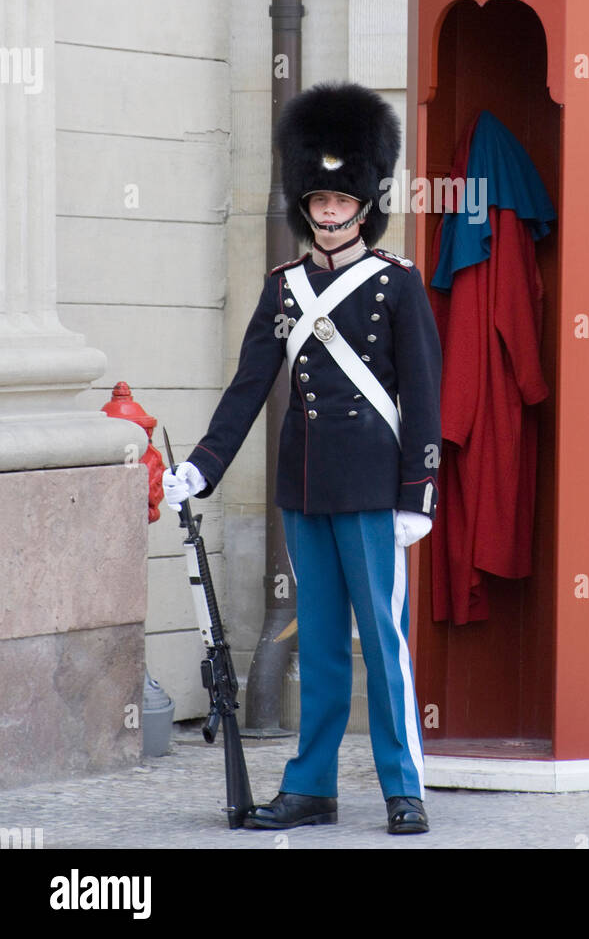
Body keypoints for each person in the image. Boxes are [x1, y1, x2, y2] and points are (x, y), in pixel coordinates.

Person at [163, 81, 441, 835]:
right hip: (306, 490)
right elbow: (250, 384)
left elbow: (422, 394)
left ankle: (402, 786)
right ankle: (312, 786)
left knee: (383, 648)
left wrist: (419, 495)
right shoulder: (283, 289)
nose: (327, 211)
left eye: (339, 199)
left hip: (374, 490)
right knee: (316, 644)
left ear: (364, 202)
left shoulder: (396, 285)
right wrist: (202, 466)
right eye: (316, 198)